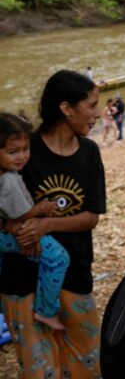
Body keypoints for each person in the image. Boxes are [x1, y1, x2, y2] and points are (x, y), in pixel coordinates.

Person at [0, 69, 107, 379]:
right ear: (66, 108)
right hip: (23, 282)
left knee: (88, 363)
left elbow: (91, 217)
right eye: (90, 105)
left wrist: (45, 226)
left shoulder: (89, 153)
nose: (97, 114)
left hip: (73, 273)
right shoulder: (20, 149)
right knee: (38, 371)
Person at [0, 113, 70, 332]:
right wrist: (42, 208)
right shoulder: (10, 180)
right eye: (12, 152)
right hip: (9, 234)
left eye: (25, 149)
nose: (21, 157)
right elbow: (21, 215)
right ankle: (46, 309)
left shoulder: (6, 173)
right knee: (59, 258)